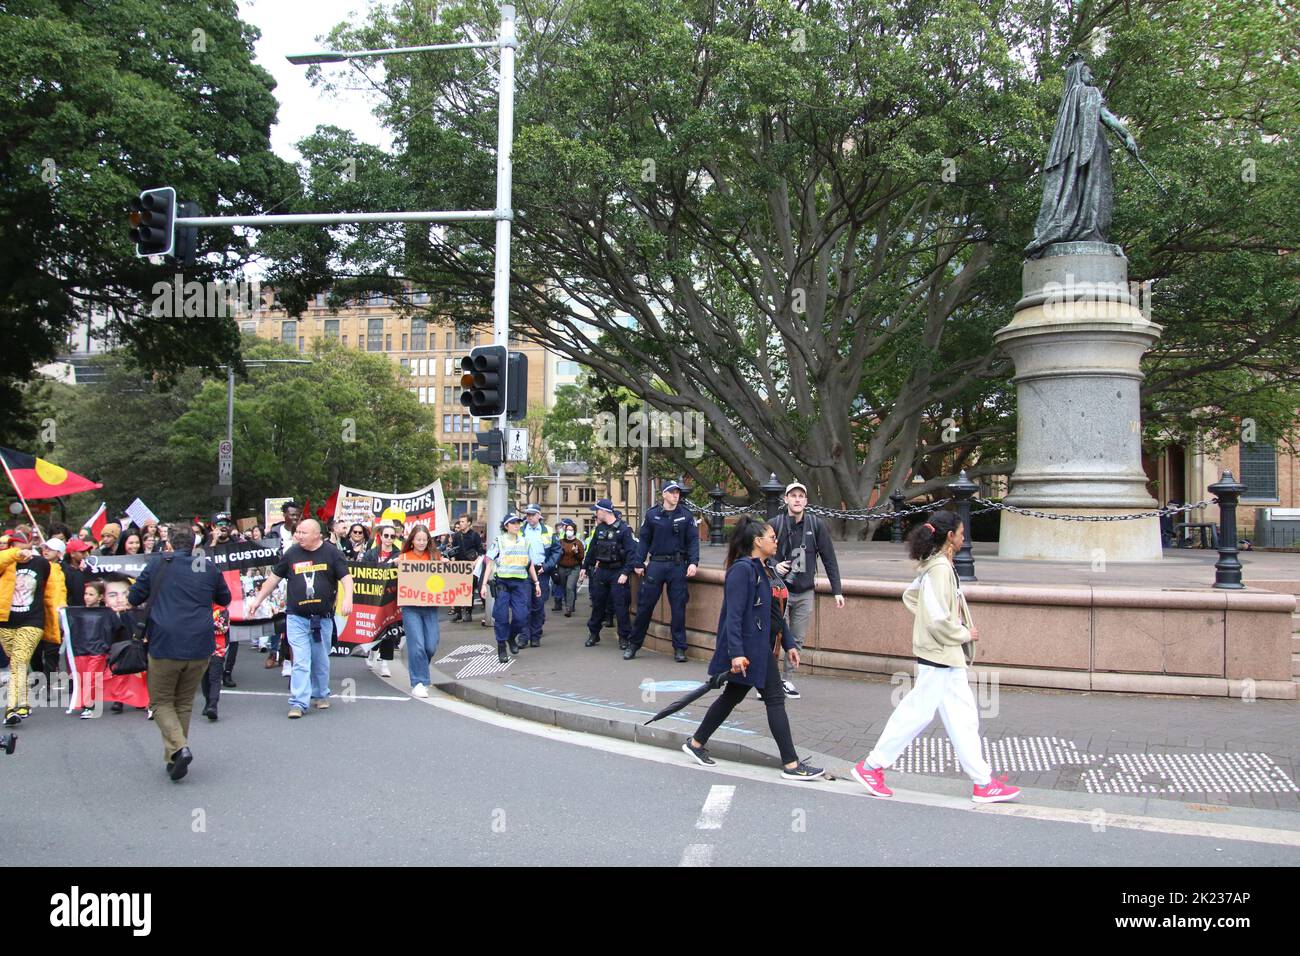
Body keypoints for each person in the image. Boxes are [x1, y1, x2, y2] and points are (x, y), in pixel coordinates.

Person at [850, 511, 1020, 804]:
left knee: (957, 716)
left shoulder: (935, 566)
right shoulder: (940, 568)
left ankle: (982, 781)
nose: (964, 537)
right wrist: (963, 633)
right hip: (941, 653)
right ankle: (872, 766)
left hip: (941, 653)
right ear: (950, 537)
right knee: (921, 713)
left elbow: (912, 598)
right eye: (961, 533)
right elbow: (937, 617)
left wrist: (939, 627)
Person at [681, 519, 823, 780]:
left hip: (756, 650)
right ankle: (791, 764)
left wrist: (790, 644)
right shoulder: (742, 571)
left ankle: (696, 743)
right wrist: (736, 654)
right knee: (775, 700)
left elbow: (774, 614)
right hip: (748, 651)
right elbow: (732, 616)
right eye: (771, 537)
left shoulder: (764, 569)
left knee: (732, 697)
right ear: (758, 542)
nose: (775, 541)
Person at [127, 526, 231, 780]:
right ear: (194, 543)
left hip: (165, 641)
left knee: (161, 701)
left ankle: (180, 748)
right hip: (200, 642)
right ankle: (173, 755)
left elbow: (134, 596)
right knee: (183, 702)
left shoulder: (157, 564)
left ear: (170, 543)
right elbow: (224, 598)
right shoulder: (207, 566)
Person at [248, 518, 353, 719]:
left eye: (303, 533)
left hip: (322, 618)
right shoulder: (292, 553)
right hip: (296, 617)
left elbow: (346, 578)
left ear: (317, 534)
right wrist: (258, 600)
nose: (299, 536)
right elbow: (273, 578)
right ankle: (298, 702)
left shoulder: (332, 553)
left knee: (320, 659)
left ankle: (321, 693)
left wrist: (348, 599)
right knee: (301, 660)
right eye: (298, 533)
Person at [768, 481, 845, 699]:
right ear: (786, 500)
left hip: (805, 592)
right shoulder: (775, 523)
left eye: (801, 496)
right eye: (793, 496)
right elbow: (758, 551)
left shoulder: (815, 525)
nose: (797, 499)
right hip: (779, 590)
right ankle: (768, 680)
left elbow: (829, 558)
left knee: (797, 639)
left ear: (806, 501)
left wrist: (836, 590)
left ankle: (786, 679)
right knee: (774, 636)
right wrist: (775, 565)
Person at [0, 530, 68, 726]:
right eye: (13, 545)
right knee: (17, 664)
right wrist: (13, 555)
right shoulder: (6, 563)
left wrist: (59, 607)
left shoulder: (41, 564)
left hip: (32, 620)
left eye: (21, 544)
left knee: (19, 661)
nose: (18, 548)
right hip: (5, 622)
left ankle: (11, 709)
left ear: (30, 545)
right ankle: (24, 702)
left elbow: (55, 588)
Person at [626, 480, 699, 661]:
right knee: (644, 606)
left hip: (677, 565)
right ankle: (633, 645)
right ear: (664, 495)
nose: (676, 495)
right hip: (656, 565)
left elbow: (692, 541)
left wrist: (693, 562)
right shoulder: (652, 515)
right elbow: (643, 541)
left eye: (678, 492)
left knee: (678, 609)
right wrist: (638, 561)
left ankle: (679, 649)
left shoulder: (686, 515)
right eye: (673, 492)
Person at [480, 514, 541, 663]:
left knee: (521, 616)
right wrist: (483, 584)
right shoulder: (499, 541)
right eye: (513, 523)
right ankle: (501, 646)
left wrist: (537, 582)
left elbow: (530, 564)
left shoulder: (525, 542)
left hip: (520, 583)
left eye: (518, 523)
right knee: (501, 617)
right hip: (503, 583)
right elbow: (489, 562)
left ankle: (511, 637)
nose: (516, 525)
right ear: (506, 526)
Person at [579, 501, 636, 648]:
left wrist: (625, 573)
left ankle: (624, 637)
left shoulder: (623, 529)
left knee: (620, 606)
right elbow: (592, 550)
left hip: (618, 571)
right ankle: (594, 634)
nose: (595, 513)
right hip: (602, 571)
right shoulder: (599, 529)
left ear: (604, 511)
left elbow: (631, 554)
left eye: (597, 511)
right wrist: (584, 567)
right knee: (598, 604)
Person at [398, 524, 442, 698]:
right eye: (419, 539)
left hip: (430, 607)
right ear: (412, 540)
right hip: (411, 607)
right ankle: (419, 681)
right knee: (417, 645)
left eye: (425, 540)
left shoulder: (434, 557)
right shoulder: (404, 557)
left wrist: (445, 564)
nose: (422, 543)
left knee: (430, 645)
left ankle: (420, 669)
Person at [363, 523, 402, 676]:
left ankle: (385, 662)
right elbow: (363, 572)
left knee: (389, 629)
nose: (389, 539)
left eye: (392, 536)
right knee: (375, 627)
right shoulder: (371, 554)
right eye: (386, 535)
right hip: (373, 597)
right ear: (380, 536)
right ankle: (372, 651)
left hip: (391, 598)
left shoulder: (399, 554)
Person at [519, 505, 558, 648]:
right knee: (523, 606)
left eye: (532, 514)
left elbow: (556, 551)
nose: (529, 517)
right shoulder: (521, 530)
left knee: (538, 605)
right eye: (528, 514)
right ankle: (524, 636)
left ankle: (535, 636)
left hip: (540, 572)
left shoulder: (547, 531)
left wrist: (546, 566)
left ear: (539, 515)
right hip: (523, 572)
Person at [446, 515, 483, 623]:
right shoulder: (457, 536)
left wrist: (475, 563)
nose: (460, 523)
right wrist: (452, 560)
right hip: (459, 566)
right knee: (457, 590)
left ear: (469, 523)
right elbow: (453, 550)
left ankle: (468, 612)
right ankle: (458, 613)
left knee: (469, 590)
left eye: (463, 521)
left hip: (470, 566)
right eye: (460, 521)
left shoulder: (475, 535)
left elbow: (480, 552)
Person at [200, 605, 230, 721]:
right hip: (201, 647)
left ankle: (213, 705)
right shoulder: (200, 607)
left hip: (218, 648)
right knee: (204, 676)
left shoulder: (222, 610)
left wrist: (205, 624)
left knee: (214, 677)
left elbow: (223, 628)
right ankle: (207, 702)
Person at [552, 518, 585, 617]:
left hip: (574, 568)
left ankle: (569, 608)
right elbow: (556, 554)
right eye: (567, 529)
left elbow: (581, 557)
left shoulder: (578, 543)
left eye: (571, 530)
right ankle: (567, 603)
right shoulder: (561, 542)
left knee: (569, 587)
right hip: (562, 567)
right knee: (564, 587)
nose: (569, 531)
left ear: (574, 531)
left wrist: (576, 552)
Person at [62, 537, 92, 607]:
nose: (86, 554)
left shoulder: (88, 568)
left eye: (87, 551)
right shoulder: (64, 571)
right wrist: (80, 573)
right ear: (72, 554)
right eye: (82, 552)